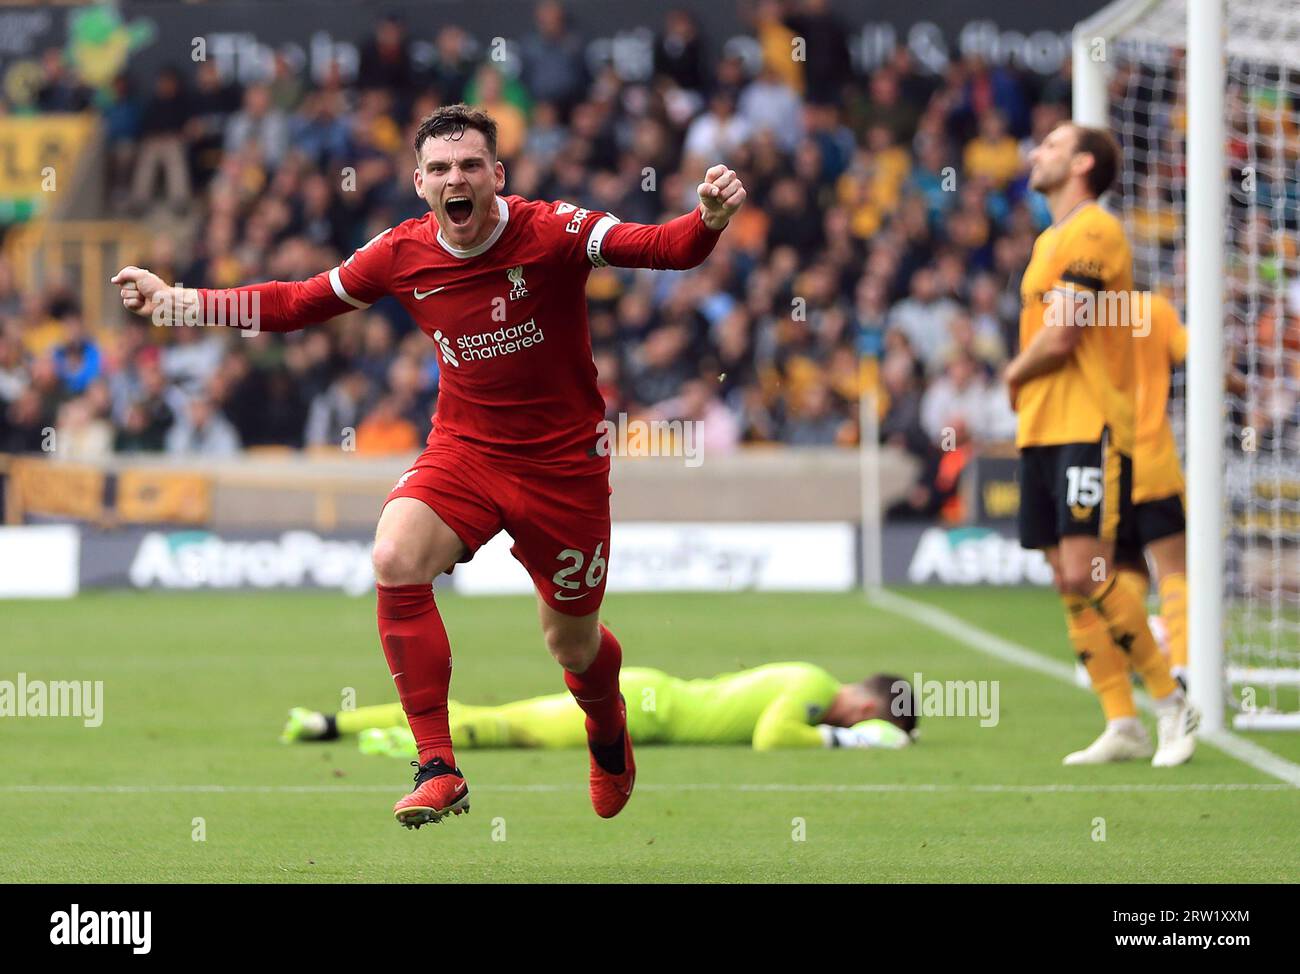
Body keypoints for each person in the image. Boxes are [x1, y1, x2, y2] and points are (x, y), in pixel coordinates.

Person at [112, 103, 746, 829]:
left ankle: (607, 731)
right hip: (465, 452)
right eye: (441, 168)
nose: (457, 178)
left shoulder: (553, 231)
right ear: (419, 183)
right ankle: (438, 765)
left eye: (471, 165)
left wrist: (707, 219)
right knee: (394, 554)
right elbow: (297, 301)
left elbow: (663, 247)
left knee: (570, 642)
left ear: (497, 175)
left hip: (564, 468)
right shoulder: (401, 252)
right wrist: (180, 304)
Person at [1002, 121, 1196, 767]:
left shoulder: (1094, 230)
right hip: (1043, 427)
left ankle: (1171, 701)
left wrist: (1011, 372)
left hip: (1089, 426)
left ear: (1083, 162)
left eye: (1052, 144)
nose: (1037, 151)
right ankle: (1122, 721)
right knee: (1066, 577)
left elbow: (1062, 336)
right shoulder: (1047, 240)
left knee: (1091, 569)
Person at [280, 664, 918, 757]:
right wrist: (855, 745)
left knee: (502, 718)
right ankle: (348, 729)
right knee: (511, 728)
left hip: (651, 698)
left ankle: (333, 724)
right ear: (866, 705)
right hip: (645, 707)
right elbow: (771, 737)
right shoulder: (811, 690)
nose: (859, 727)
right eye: (871, 722)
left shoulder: (813, 679)